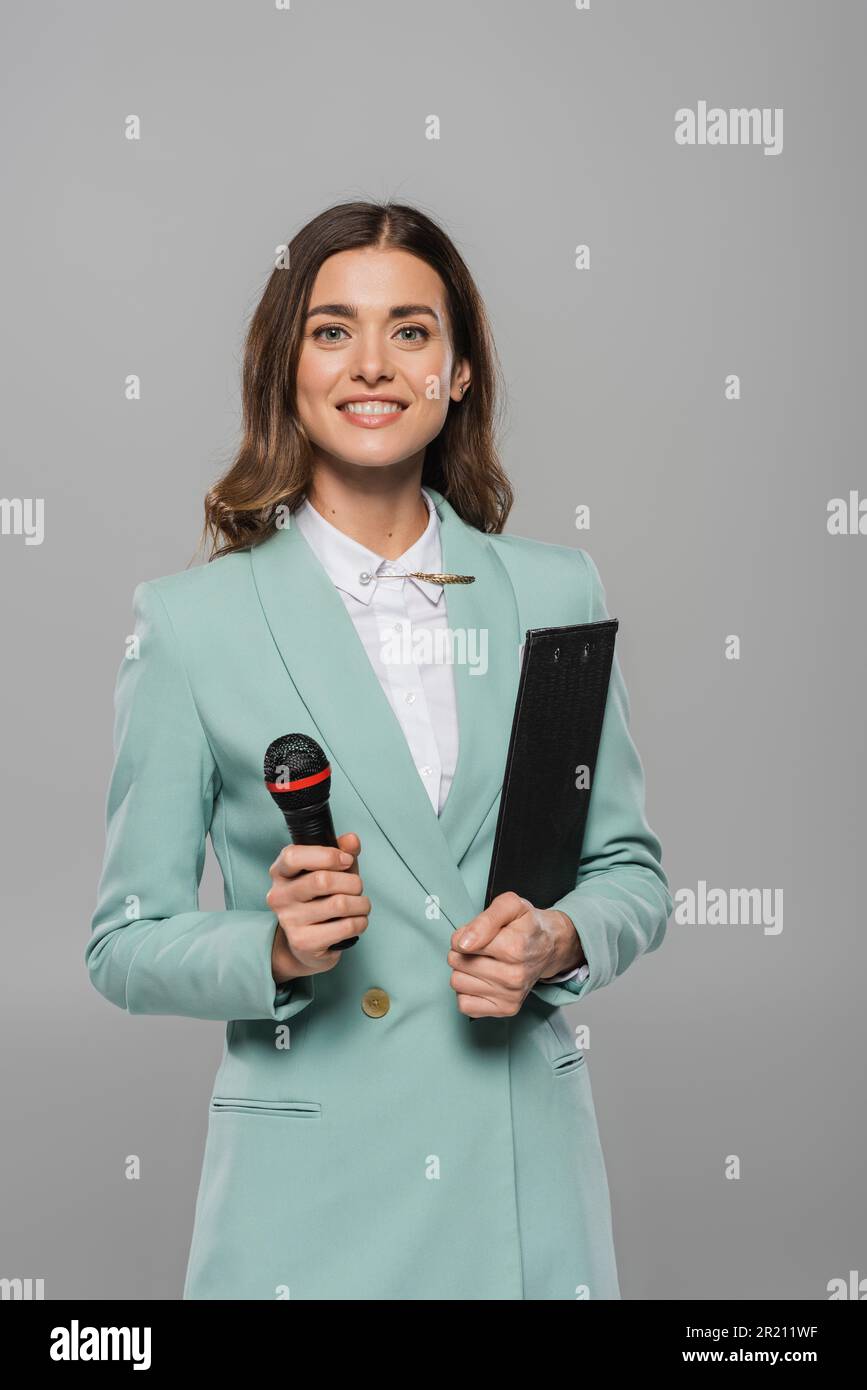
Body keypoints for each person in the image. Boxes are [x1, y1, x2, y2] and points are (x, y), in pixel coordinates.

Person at [86, 199, 673, 1300]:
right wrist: (273, 947)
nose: (372, 363)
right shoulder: (189, 623)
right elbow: (123, 941)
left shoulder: (556, 592)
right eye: (331, 330)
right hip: (310, 1194)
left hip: (516, 1170)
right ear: (287, 370)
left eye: (410, 330)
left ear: (458, 374)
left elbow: (632, 873)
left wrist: (556, 937)